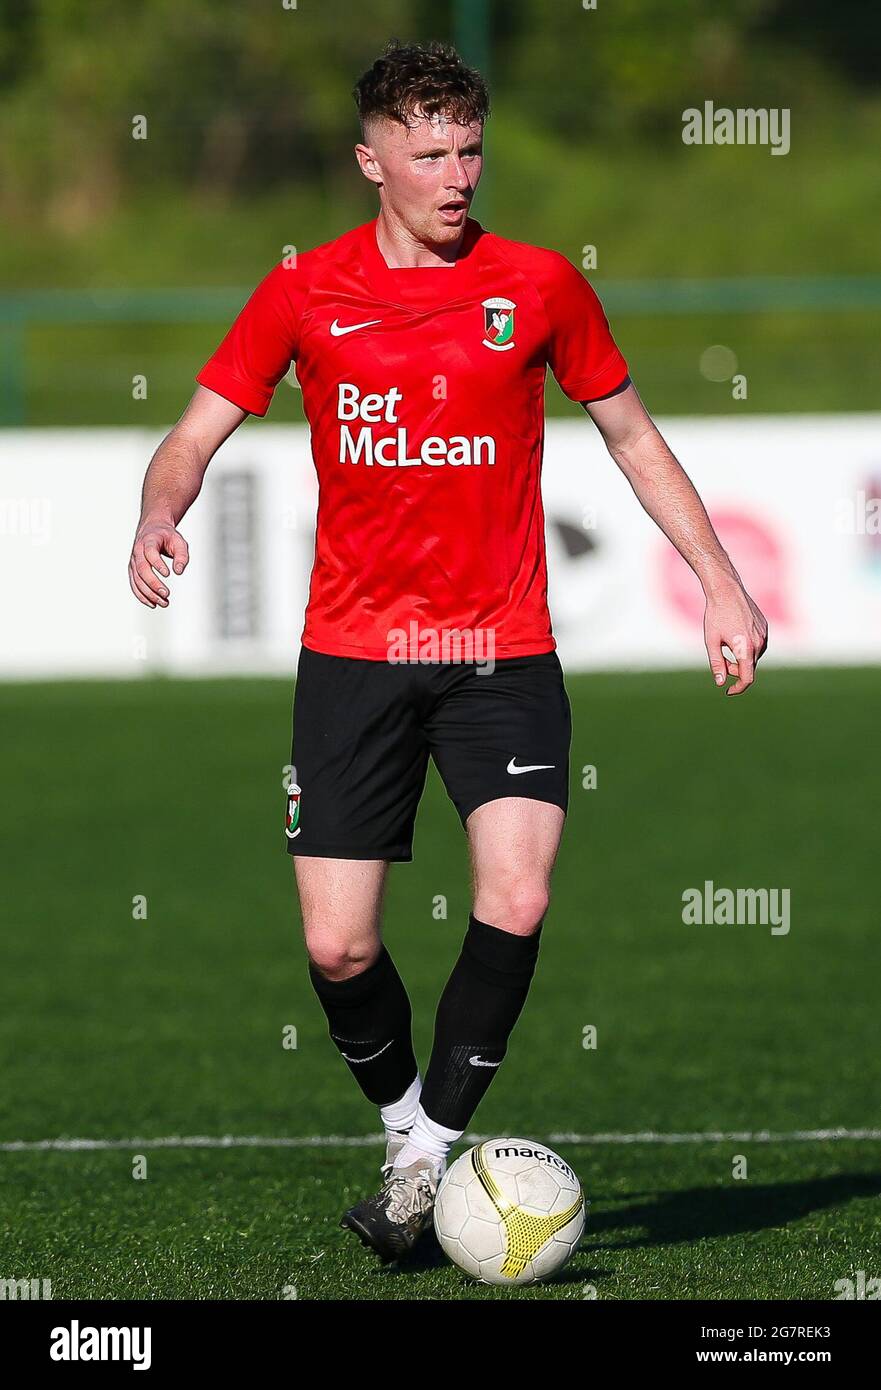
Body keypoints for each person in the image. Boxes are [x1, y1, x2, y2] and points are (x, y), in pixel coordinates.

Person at [128, 40, 768, 1263]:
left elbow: (632, 438)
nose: (455, 174)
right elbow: (192, 432)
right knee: (338, 944)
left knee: (516, 894)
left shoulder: (537, 286)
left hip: (500, 650)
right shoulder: (300, 292)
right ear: (371, 160)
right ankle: (405, 1124)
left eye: (469, 149)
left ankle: (425, 1151)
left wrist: (718, 581)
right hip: (355, 655)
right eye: (427, 153)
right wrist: (161, 511)